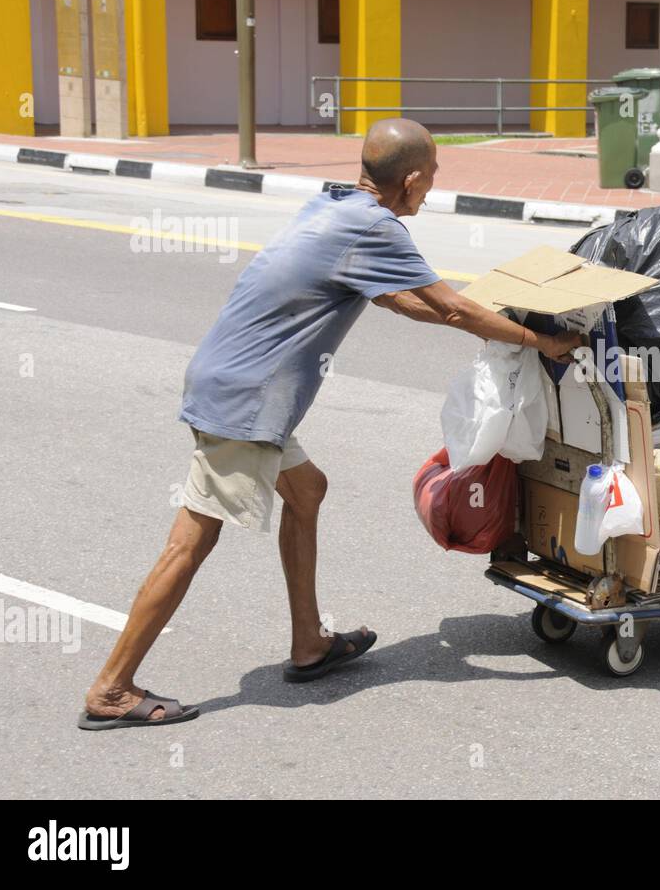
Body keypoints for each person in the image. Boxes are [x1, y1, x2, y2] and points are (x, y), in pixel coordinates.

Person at [78, 119, 580, 730]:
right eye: (432, 180)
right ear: (413, 179)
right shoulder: (375, 225)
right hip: (246, 404)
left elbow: (404, 301)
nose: (430, 192)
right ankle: (111, 687)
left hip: (233, 383)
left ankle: (308, 644)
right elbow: (449, 306)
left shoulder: (335, 207)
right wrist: (540, 341)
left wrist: (483, 317)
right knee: (191, 541)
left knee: (306, 490)